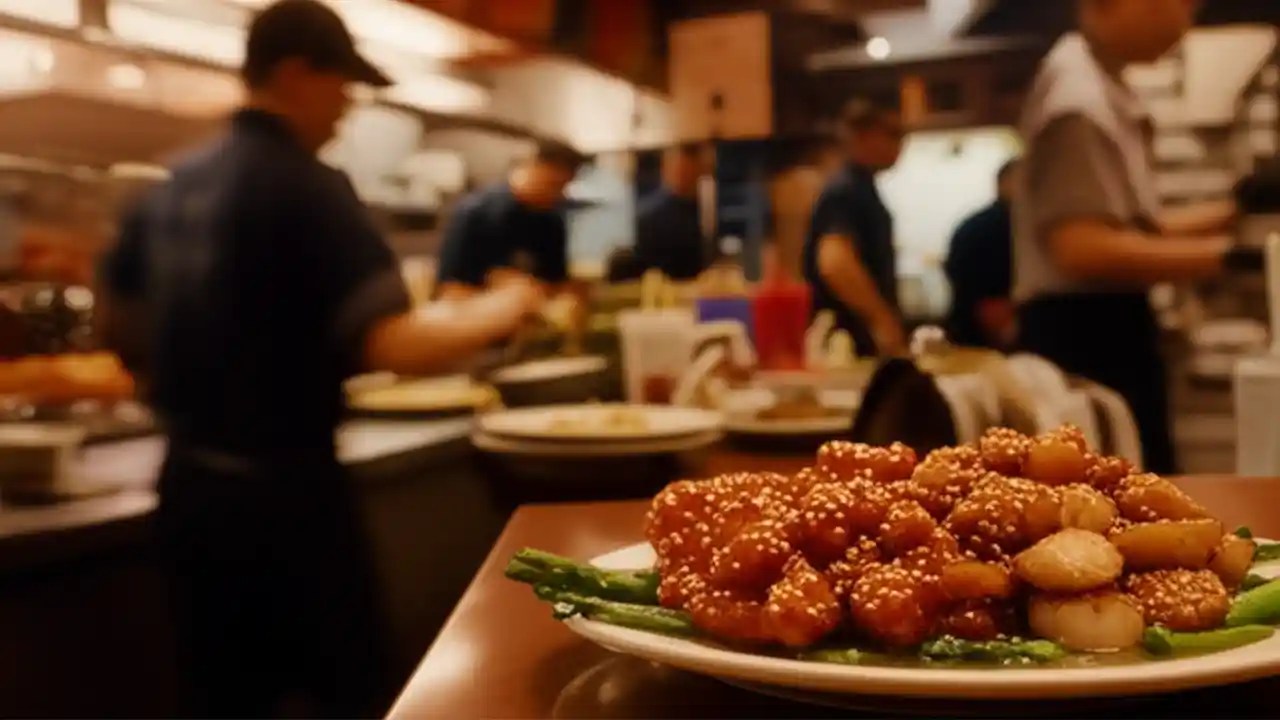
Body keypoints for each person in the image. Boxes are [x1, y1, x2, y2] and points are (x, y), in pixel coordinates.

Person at [96, 1, 542, 716]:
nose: (347, 106)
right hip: (289, 500)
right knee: (352, 694)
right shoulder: (305, 184)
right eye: (343, 85)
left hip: (187, 497)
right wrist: (509, 304)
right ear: (297, 73)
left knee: (221, 701)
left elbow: (118, 332)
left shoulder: (168, 187)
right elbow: (395, 344)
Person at [1015, 0, 1260, 474]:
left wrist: (1238, 209)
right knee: (1113, 493)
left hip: (1102, 325)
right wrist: (1231, 257)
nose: (1187, 18)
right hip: (1086, 333)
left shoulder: (1100, 81)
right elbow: (1080, 249)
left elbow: (1132, 228)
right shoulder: (1077, 99)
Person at [803, 98, 907, 356]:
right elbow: (835, 261)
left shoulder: (859, 187)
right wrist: (882, 319)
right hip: (847, 345)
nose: (901, 145)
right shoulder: (847, 189)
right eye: (893, 134)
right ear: (863, 136)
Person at [435, 141, 586, 300]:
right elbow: (451, 289)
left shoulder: (551, 220)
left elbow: (555, 281)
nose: (557, 194)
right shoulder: (477, 212)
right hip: (475, 308)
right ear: (532, 167)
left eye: (562, 186)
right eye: (553, 184)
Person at [944, 159, 1020, 350]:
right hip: (991, 339)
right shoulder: (1001, 227)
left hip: (964, 333)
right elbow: (992, 306)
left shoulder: (973, 225)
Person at [632, 142, 709, 281]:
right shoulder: (650, 217)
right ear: (664, 169)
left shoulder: (708, 210)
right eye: (677, 169)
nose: (682, 175)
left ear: (699, 170)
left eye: (687, 170)